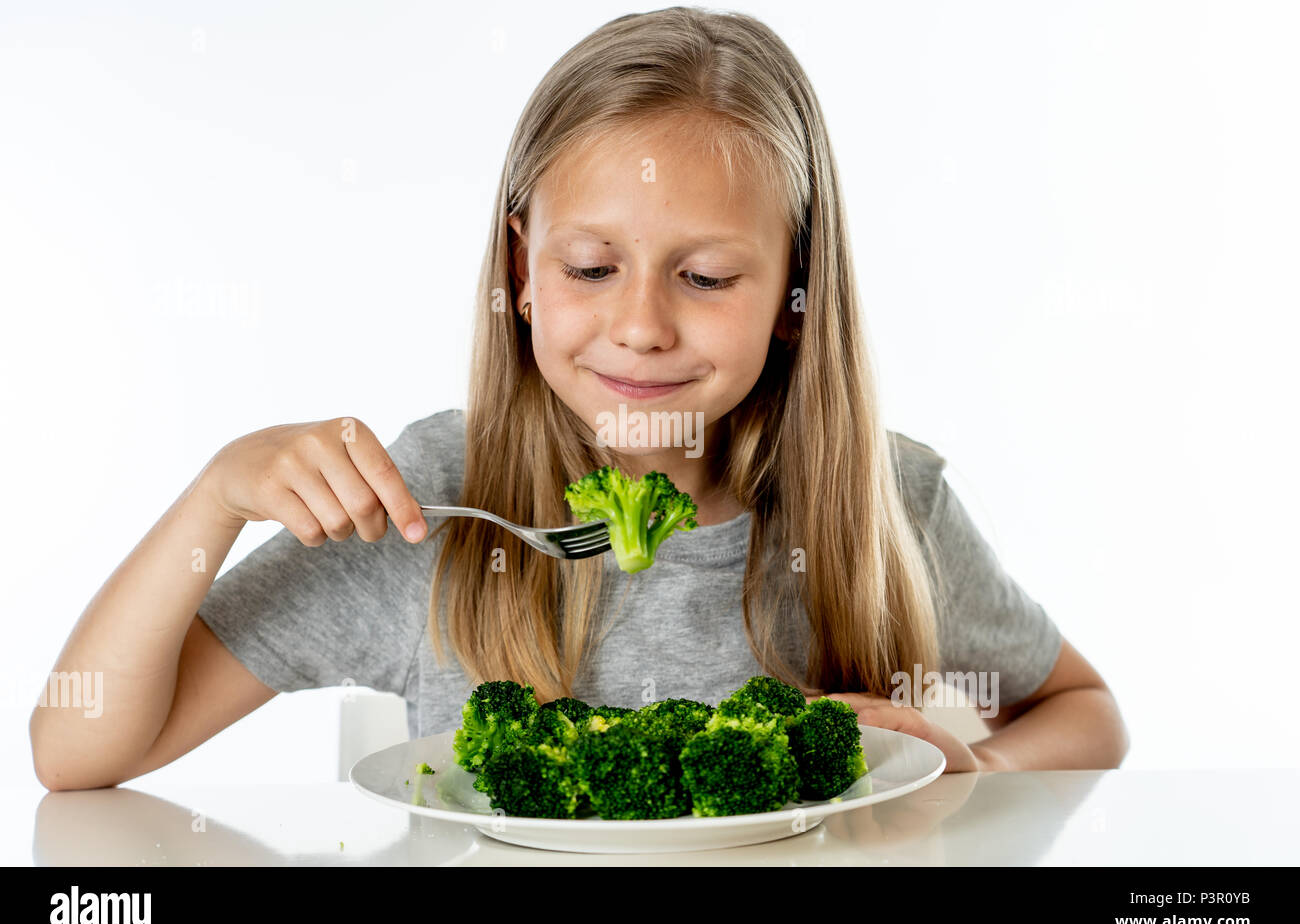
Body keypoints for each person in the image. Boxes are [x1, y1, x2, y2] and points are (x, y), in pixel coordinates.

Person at [30, 7, 1127, 792]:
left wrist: (965, 771)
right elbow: (78, 748)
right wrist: (215, 496)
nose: (640, 324)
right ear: (518, 264)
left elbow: (1086, 715)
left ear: (797, 292)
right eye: (592, 267)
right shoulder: (436, 506)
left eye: (704, 278)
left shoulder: (892, 502)